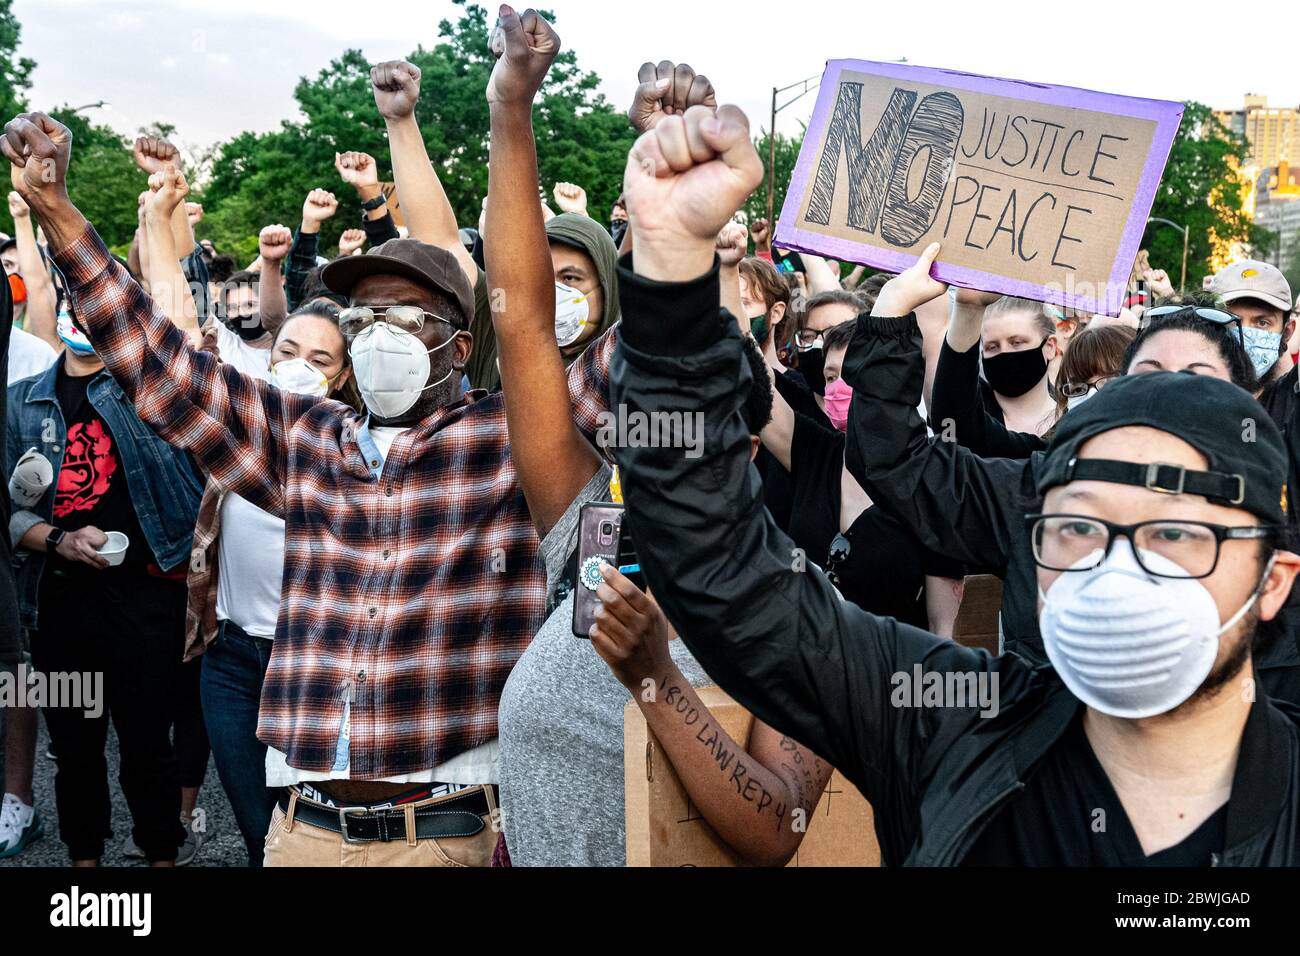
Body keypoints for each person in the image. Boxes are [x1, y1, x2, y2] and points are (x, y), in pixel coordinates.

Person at [607, 108, 1300, 864]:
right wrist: (672, 281)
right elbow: (724, 572)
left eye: (1175, 533)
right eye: (1079, 528)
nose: (1120, 566)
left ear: (1273, 579)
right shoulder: (945, 722)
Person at [1, 82, 619, 865]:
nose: (377, 335)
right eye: (364, 318)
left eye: (406, 317)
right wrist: (54, 207)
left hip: (455, 834)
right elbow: (159, 362)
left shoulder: (508, 440)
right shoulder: (305, 440)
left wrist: (668, 230)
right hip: (303, 833)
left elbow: (631, 357)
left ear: (459, 349)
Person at [485, 27, 830, 865]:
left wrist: (655, 677)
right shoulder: (587, 527)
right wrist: (510, 106)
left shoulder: (796, 600)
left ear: (748, 447)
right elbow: (522, 320)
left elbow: (778, 828)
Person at [6, 281, 203, 867]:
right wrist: (58, 540)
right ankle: (84, 868)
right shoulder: (20, 401)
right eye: (70, 301)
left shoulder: (150, 394)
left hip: (144, 601)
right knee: (75, 747)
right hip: (55, 604)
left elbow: (192, 484)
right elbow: (4, 508)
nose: (79, 314)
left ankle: (161, 858)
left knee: (148, 747)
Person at [190, 300, 359, 867]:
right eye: (287, 352)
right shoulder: (237, 434)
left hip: (312, 667)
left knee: (311, 832)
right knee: (256, 829)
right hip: (232, 663)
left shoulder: (356, 451)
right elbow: (176, 355)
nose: (299, 366)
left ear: (344, 374)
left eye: (319, 358)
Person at [928, 292, 1061, 458]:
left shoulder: (1076, 419)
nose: (1005, 353)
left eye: (1016, 343)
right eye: (992, 347)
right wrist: (968, 308)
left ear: (1050, 346)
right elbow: (953, 421)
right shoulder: (968, 400)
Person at [1210, 259, 1295, 386]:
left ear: (1287, 332)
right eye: (1230, 320)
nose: (1244, 335)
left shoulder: (1290, 400)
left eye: (1262, 323)